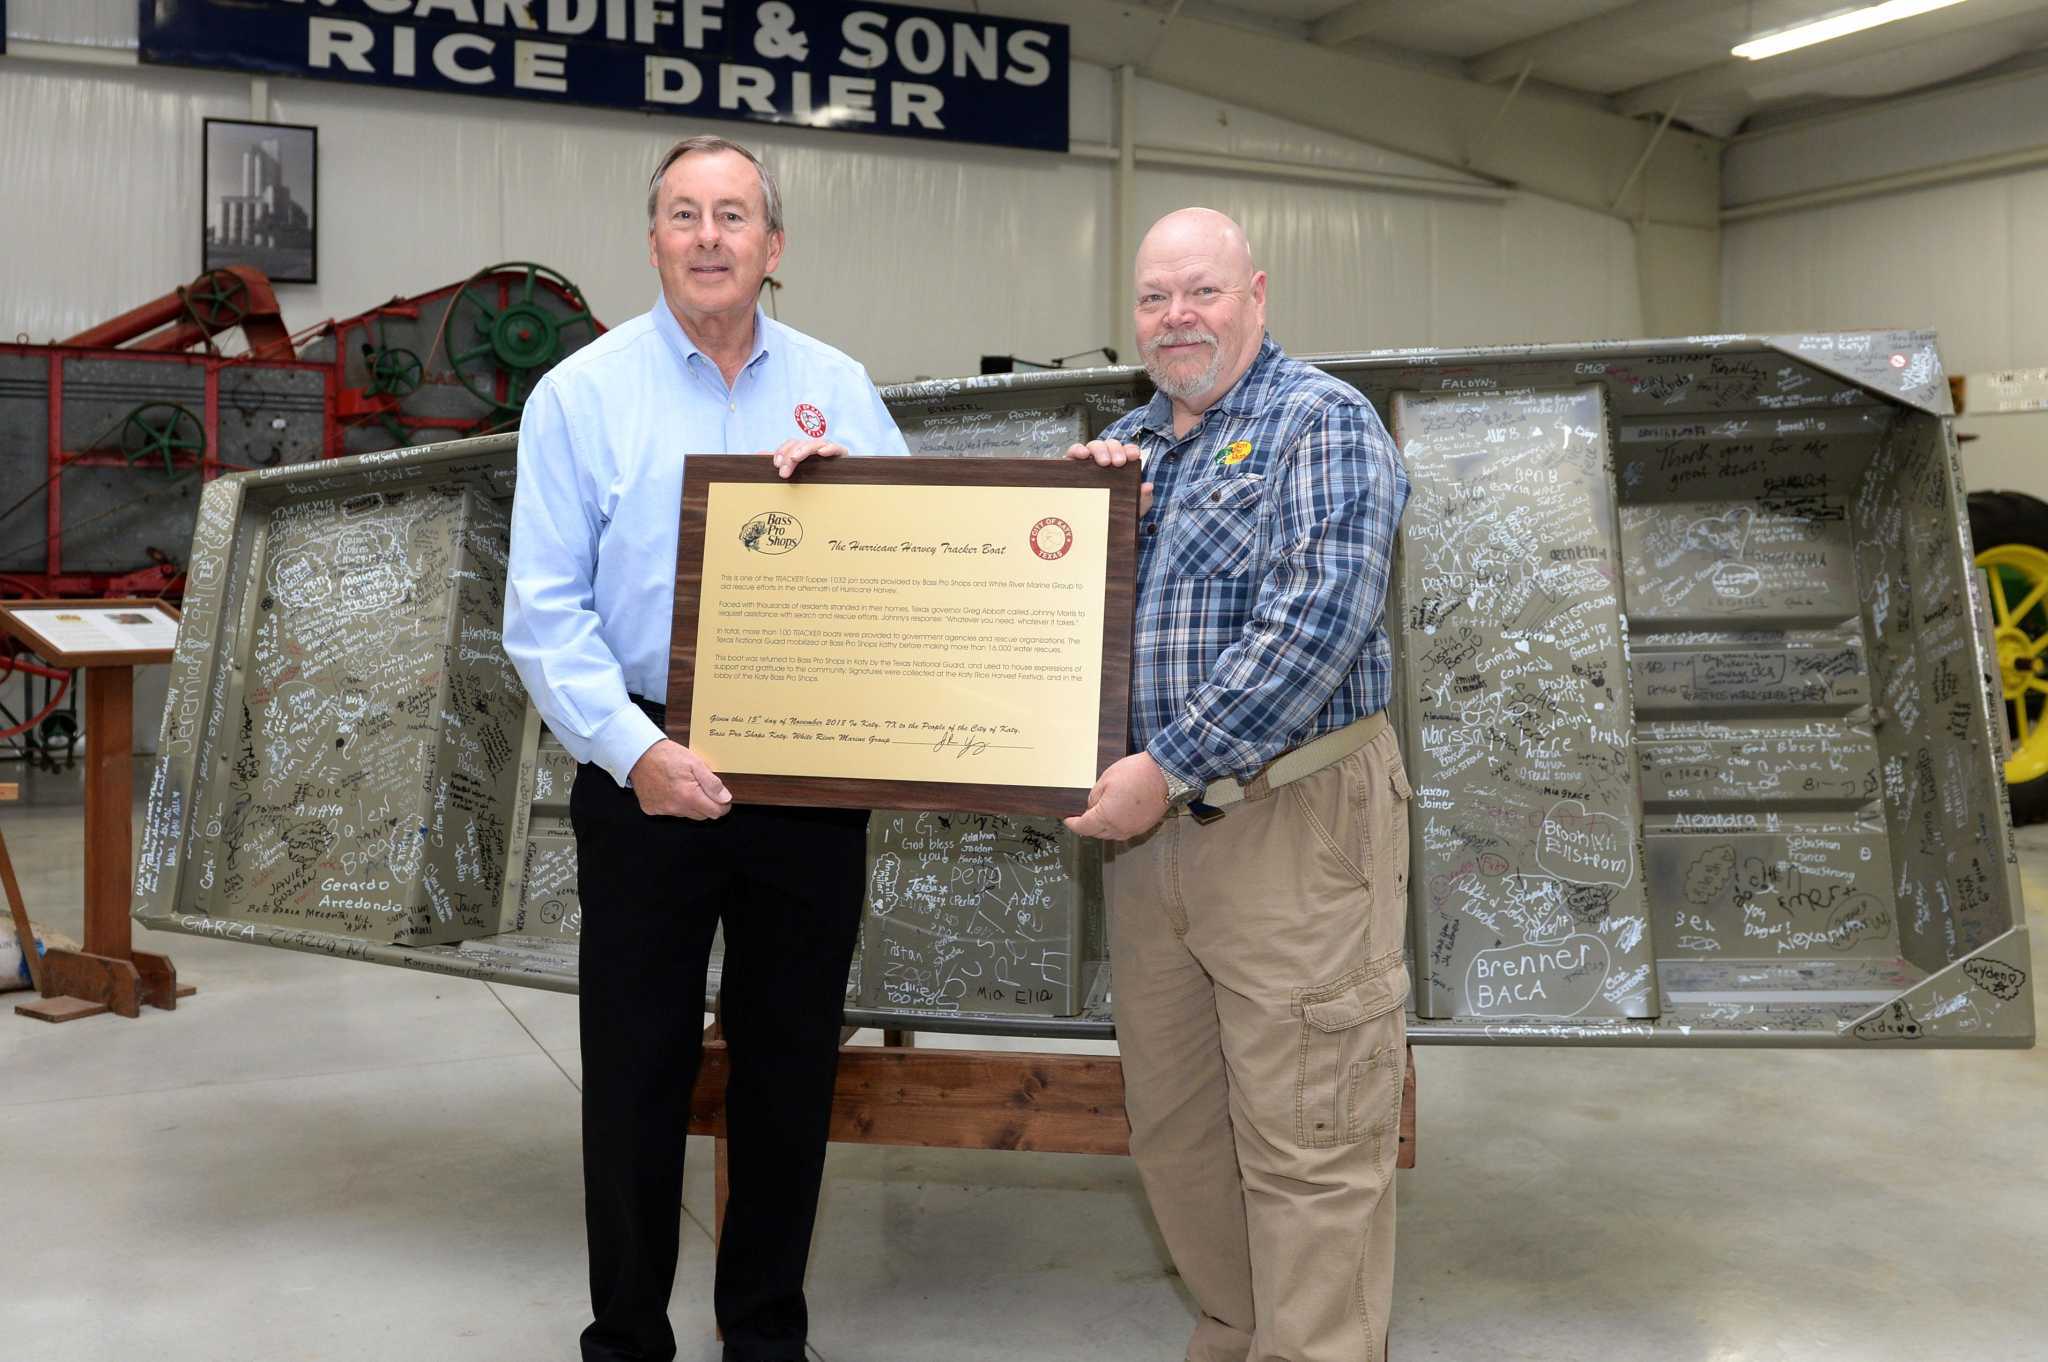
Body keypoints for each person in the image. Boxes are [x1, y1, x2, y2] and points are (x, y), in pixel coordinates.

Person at [503, 135, 907, 1362]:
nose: (709, 237)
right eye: (684, 214)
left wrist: (852, 506)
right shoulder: (579, 394)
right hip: (643, 775)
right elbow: (542, 611)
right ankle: (625, 1335)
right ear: (653, 241)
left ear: (772, 248)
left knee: (790, 1071)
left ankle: (765, 1332)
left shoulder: (839, 390)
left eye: (733, 215)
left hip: (807, 779)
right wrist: (635, 755)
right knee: (634, 1075)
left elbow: (919, 565)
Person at [1064, 207, 1412, 1362]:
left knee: (1308, 1132)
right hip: (1150, 837)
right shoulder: (1127, 448)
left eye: (1201, 292)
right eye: (1156, 297)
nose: (1178, 318)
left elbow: (1312, 627)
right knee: (1174, 1125)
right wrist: (1074, 536)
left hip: (1291, 823)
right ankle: (1234, 1328)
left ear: (1256, 294)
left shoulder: (1325, 423)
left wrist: (1161, 769)